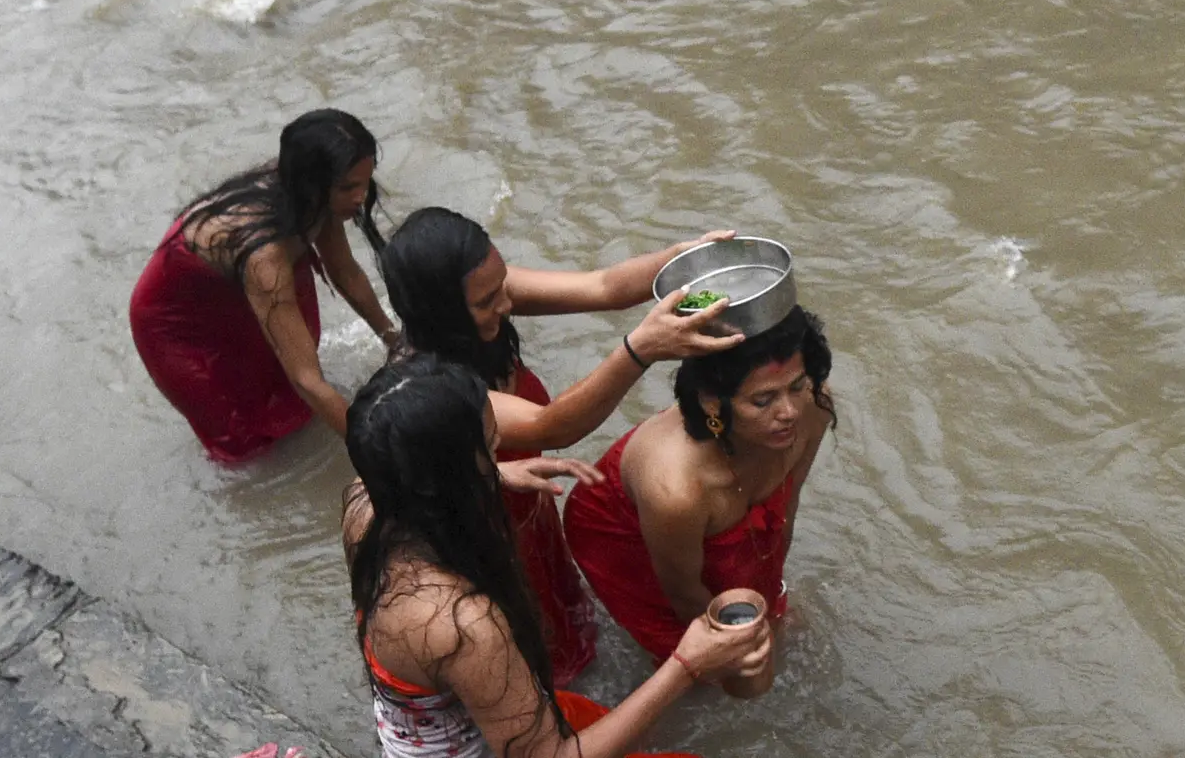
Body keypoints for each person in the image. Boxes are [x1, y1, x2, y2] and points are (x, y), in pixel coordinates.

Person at [377, 208, 744, 683]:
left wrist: (679, 260)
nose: (506, 302)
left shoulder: (489, 287)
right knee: (524, 660)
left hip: (527, 504)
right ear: (442, 314)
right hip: (481, 538)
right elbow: (549, 427)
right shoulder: (429, 384)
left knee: (567, 626)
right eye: (488, 302)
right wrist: (642, 349)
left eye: (504, 285)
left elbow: (604, 287)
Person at [345, 353, 772, 758]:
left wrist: (495, 475)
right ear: (452, 478)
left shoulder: (363, 506)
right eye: (492, 448)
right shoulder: (462, 624)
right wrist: (685, 665)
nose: (500, 451)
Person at [564, 307, 834, 697]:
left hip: (686, 515)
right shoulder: (677, 490)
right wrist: (730, 655)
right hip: (622, 536)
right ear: (711, 404)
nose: (789, 412)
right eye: (763, 400)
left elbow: (785, 510)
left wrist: (770, 598)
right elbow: (684, 596)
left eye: (797, 385)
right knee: (699, 671)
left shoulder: (813, 408)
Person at [128, 109, 402, 464]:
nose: (361, 197)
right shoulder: (266, 257)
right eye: (349, 187)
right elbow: (307, 379)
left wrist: (395, 342)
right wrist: (381, 457)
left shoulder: (317, 195)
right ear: (313, 186)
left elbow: (345, 273)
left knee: (287, 392)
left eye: (365, 182)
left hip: (235, 284)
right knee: (244, 440)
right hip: (179, 323)